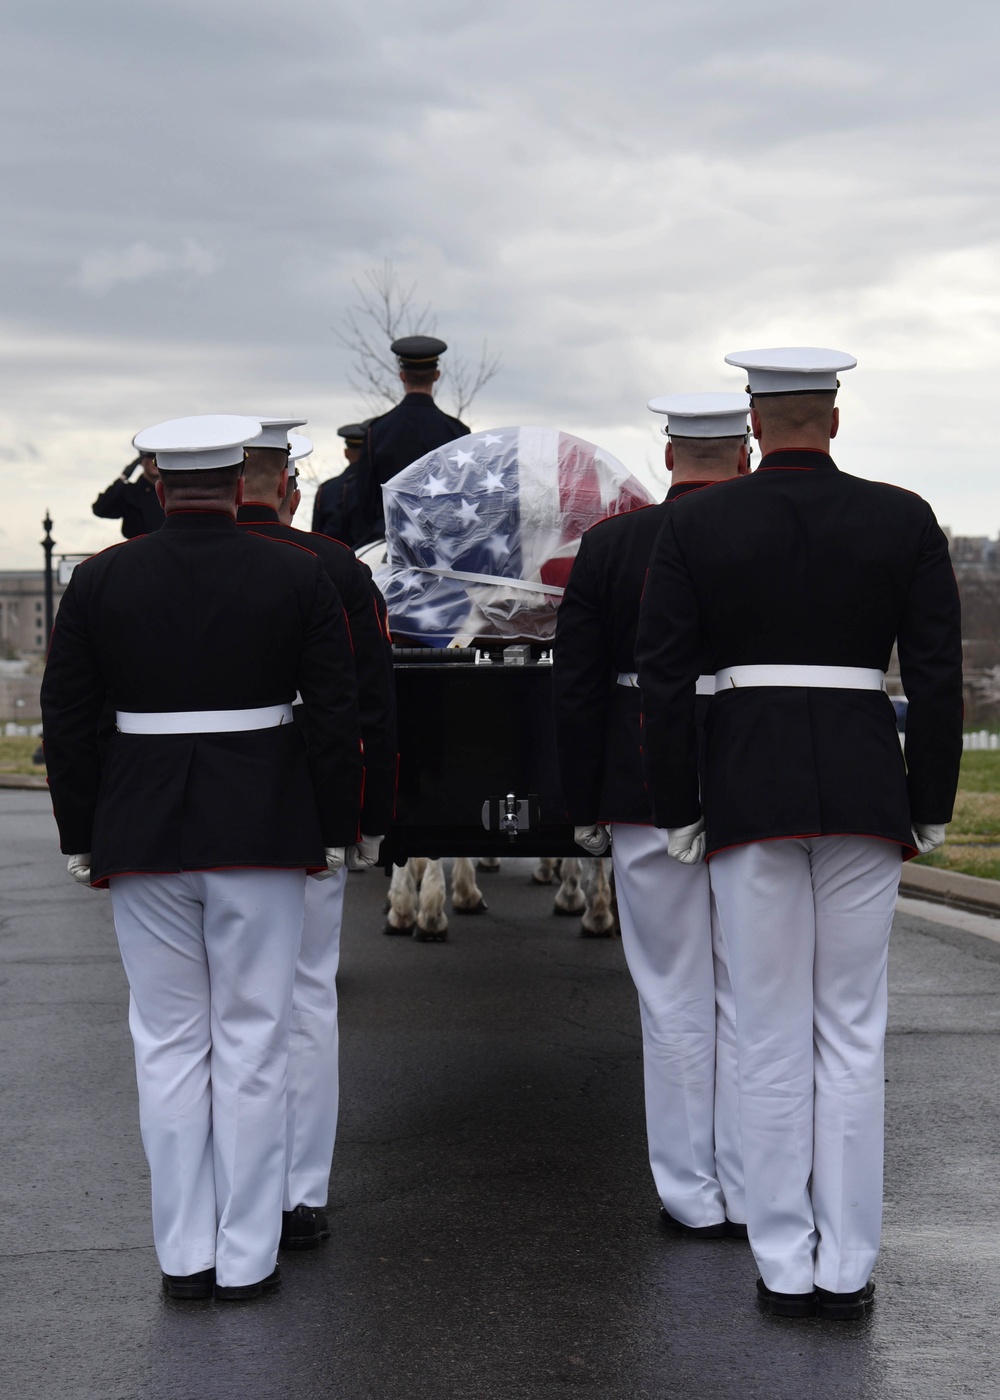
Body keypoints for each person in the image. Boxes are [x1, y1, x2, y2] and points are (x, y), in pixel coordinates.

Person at [635, 348, 964, 1320]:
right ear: (833, 418)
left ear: (751, 422)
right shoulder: (901, 517)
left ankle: (782, 1260)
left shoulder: (695, 522)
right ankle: (846, 1262)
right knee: (851, 1031)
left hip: (746, 792)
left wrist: (677, 805)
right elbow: (936, 676)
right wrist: (930, 800)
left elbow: (664, 677)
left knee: (771, 1033)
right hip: (864, 788)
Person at [41, 415, 364, 1302]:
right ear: (238, 483)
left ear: (153, 481)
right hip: (262, 825)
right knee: (255, 1039)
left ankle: (186, 1255)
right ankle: (250, 1255)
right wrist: (337, 827)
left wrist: (80, 833)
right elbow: (334, 715)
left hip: (142, 829)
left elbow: (67, 719)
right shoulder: (295, 573)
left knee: (170, 1044)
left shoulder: (101, 580)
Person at [553, 393, 750, 1239]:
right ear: (741, 456)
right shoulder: (761, 531)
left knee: (671, 993)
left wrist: (585, 798)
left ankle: (688, 1191)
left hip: (638, 778)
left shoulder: (609, 544)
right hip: (752, 769)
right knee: (748, 992)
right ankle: (753, 1181)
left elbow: (578, 686)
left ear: (668, 457)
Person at [238, 417, 397, 1250]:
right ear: (291, 489)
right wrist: (367, 819)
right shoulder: (333, 567)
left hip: (186, 823)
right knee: (304, 999)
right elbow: (368, 706)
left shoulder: (170, 566)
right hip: (303, 810)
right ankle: (300, 1192)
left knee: (210, 1016)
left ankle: (233, 1193)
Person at [349, 336, 469, 546]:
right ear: (437, 375)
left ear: (402, 375)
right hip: (443, 542)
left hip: (388, 536)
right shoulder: (457, 431)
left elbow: (364, 501)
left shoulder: (377, 430)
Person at [311, 422, 368, 539]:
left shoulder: (326, 489)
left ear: (346, 453)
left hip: (331, 555)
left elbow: (317, 537)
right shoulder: (377, 485)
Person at [92, 450, 165, 538]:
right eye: (150, 457)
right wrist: (124, 477)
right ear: (141, 461)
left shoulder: (172, 492)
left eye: (158, 458)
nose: (154, 462)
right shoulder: (129, 492)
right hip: (139, 549)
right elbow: (100, 509)